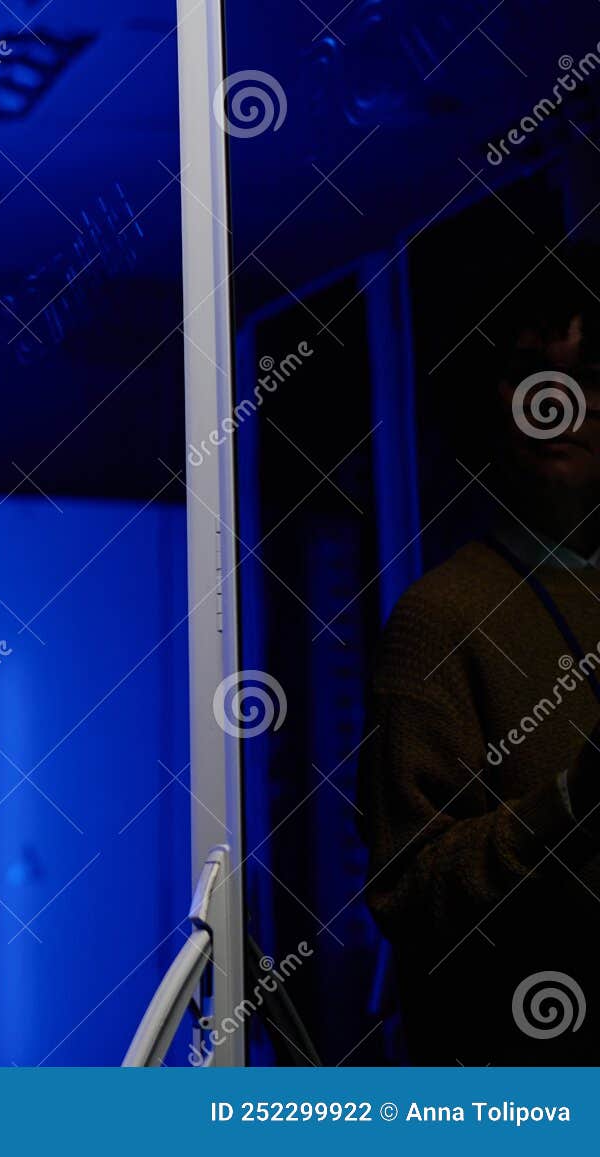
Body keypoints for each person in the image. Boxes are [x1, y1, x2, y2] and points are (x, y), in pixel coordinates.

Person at [359, 245, 600, 1064]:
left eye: (589, 373)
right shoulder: (443, 617)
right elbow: (408, 891)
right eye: (530, 371)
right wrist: (570, 800)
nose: (558, 401)